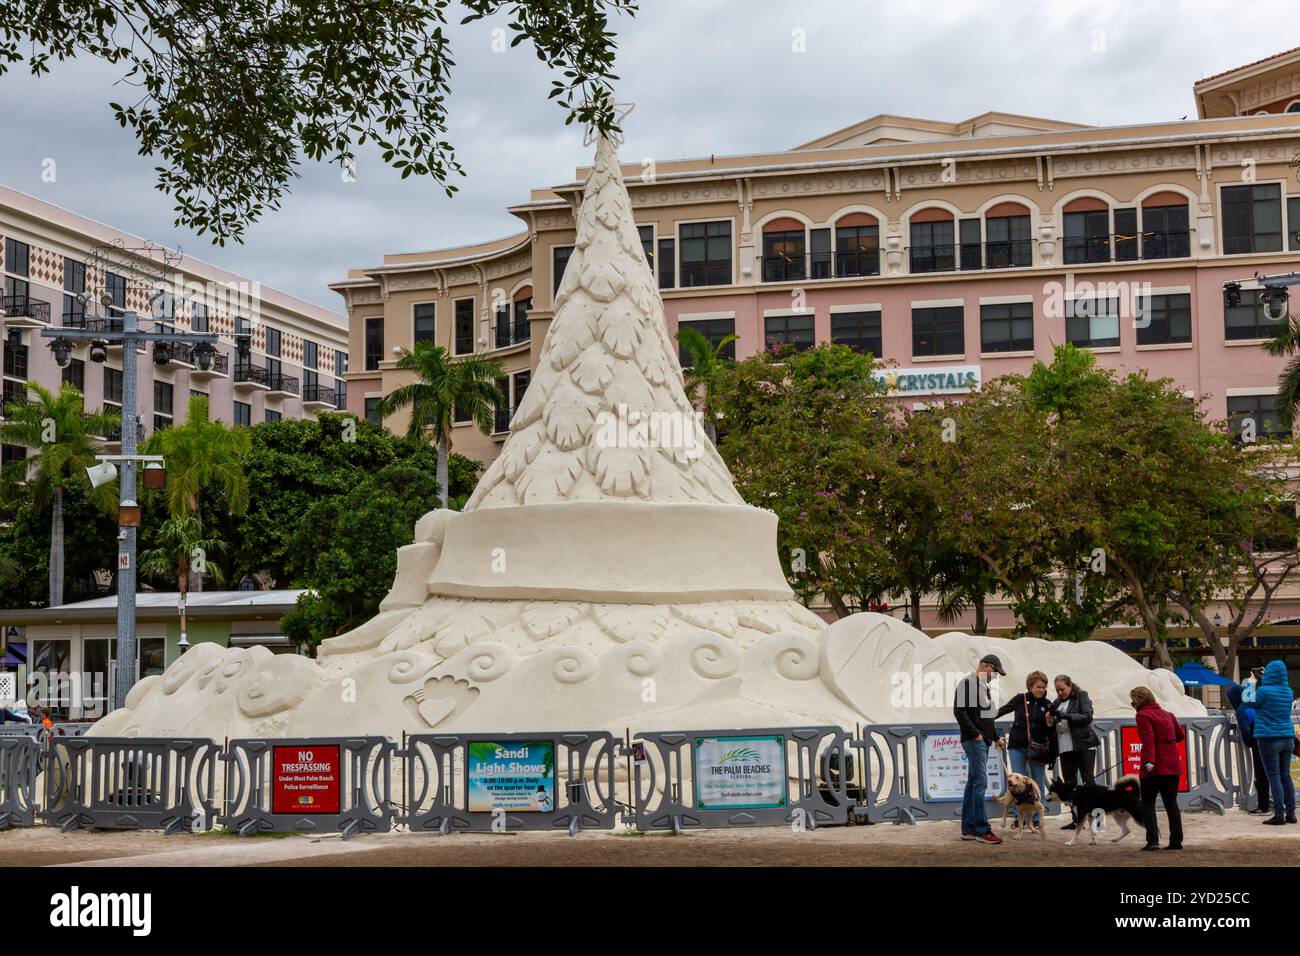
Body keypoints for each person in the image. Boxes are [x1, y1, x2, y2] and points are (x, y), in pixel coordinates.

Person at [954, 654, 1006, 845]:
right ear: (986, 667)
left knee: (973, 784)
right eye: (995, 672)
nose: (996, 676)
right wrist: (976, 734)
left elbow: (987, 717)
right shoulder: (968, 683)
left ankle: (968, 829)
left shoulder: (982, 687)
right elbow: (959, 711)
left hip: (979, 740)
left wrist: (995, 737)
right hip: (974, 741)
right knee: (980, 784)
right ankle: (982, 830)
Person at [996, 670, 1053, 828]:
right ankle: (1017, 818)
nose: (1041, 689)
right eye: (1038, 686)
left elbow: (1051, 730)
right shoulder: (1020, 699)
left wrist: (1050, 722)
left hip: (1038, 748)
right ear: (1030, 686)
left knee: (1037, 783)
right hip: (1017, 746)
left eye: (1043, 687)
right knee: (1017, 784)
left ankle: (1035, 819)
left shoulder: (1048, 704)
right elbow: (1004, 710)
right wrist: (986, 719)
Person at [1131, 685, 1185, 851]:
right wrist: (1166, 741)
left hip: (1154, 766)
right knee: (1171, 803)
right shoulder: (1168, 714)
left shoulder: (1143, 715)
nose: (1132, 703)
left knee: (1148, 803)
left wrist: (1149, 762)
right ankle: (1176, 842)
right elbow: (1180, 735)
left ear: (1139, 700)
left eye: (1133, 700)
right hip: (1172, 763)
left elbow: (1148, 740)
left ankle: (1153, 841)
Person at [1045, 674, 1100, 829]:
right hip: (1065, 748)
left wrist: (1066, 716)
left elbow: (1087, 717)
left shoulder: (1081, 695)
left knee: (1089, 783)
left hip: (1083, 746)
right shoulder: (1056, 703)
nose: (1060, 693)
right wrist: (1050, 721)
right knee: (1069, 785)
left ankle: (1098, 821)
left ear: (1070, 686)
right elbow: (1054, 726)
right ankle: (1077, 820)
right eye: (1057, 690)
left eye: (1062, 689)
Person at [1252, 659, 1296, 826]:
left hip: (1268, 739)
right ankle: (1291, 813)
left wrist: (1251, 682)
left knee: (1274, 777)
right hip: (1287, 738)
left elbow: (1249, 701)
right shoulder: (1288, 691)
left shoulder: (1262, 691)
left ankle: (1279, 814)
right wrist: (1265, 678)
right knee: (1286, 776)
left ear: (1268, 673)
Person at [1224, 681, 1270, 815]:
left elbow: (1245, 731)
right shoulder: (1254, 706)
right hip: (1271, 737)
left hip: (1258, 742)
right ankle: (1282, 805)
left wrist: (1249, 743)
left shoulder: (1241, 710)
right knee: (1275, 774)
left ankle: (1264, 806)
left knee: (1260, 775)